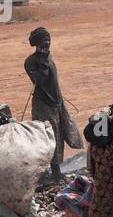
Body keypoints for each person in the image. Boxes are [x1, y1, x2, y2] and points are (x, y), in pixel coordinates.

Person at [24, 27, 78, 183]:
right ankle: (46, 173)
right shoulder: (31, 62)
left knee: (59, 134)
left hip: (57, 103)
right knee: (47, 137)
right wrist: (42, 59)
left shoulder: (49, 57)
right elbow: (40, 80)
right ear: (37, 44)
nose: (47, 44)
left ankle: (56, 171)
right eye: (44, 42)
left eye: (48, 41)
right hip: (43, 105)